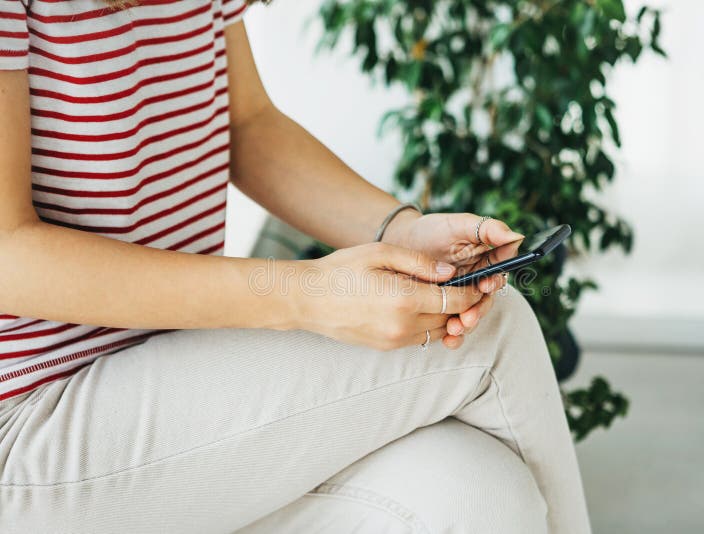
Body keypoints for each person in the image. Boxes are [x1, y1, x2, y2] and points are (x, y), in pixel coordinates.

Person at [0, 0, 590, 532]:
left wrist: (401, 231)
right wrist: (303, 293)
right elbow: (7, 254)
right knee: (494, 327)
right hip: (30, 421)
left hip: (174, 382)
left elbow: (246, 123)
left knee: (479, 493)